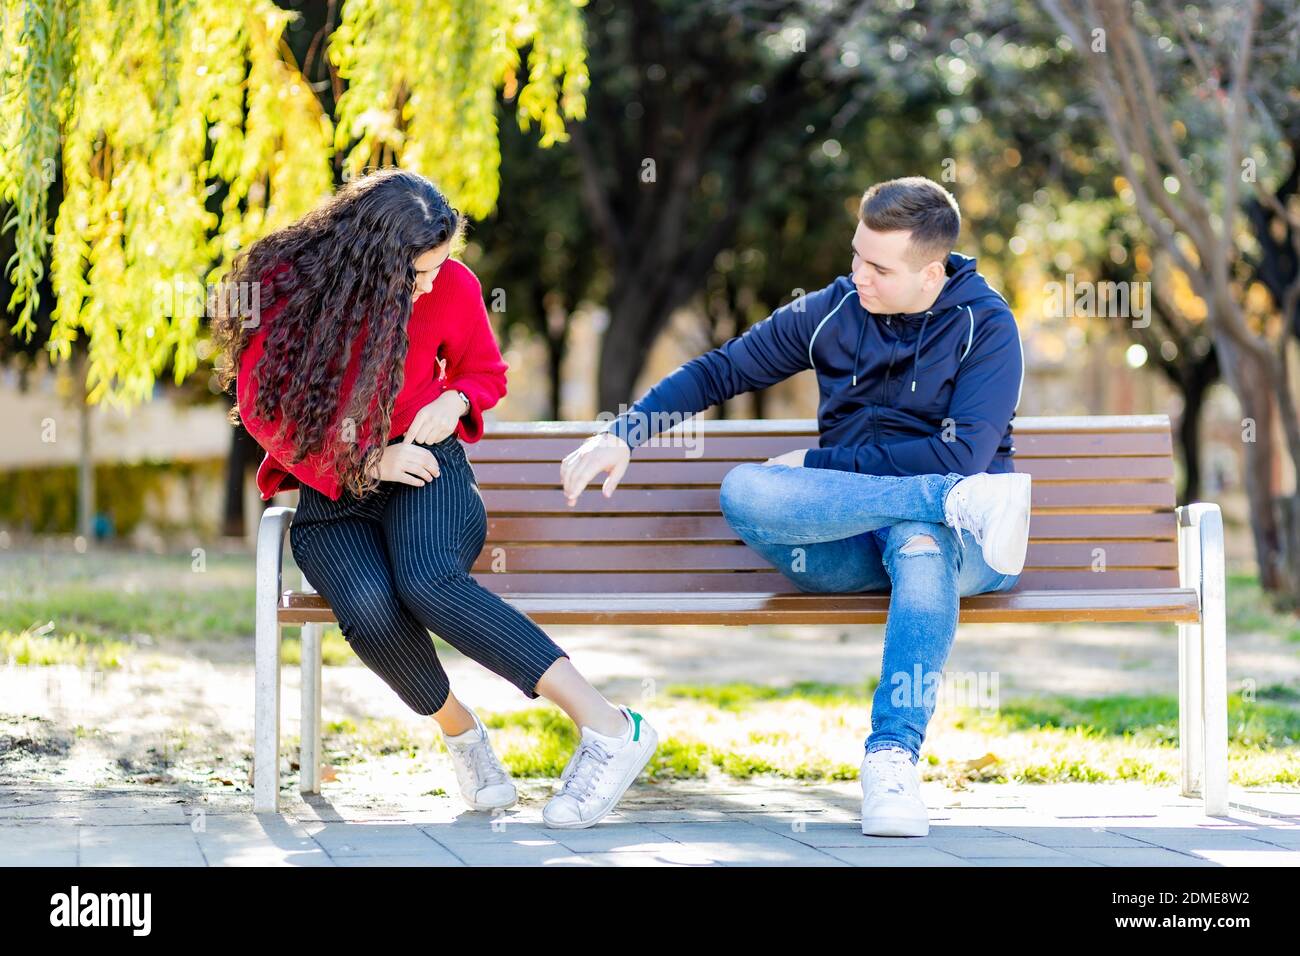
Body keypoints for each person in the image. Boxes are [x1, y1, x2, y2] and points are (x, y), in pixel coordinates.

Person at [560, 176, 1030, 837]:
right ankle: (948, 505)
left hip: (969, 547)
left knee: (920, 540)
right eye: (856, 254)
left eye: (878, 267)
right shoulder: (835, 311)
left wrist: (817, 464)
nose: (857, 274)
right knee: (745, 488)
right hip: (852, 538)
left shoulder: (987, 325)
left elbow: (961, 456)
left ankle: (892, 757)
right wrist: (624, 432)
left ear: (931, 274)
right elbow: (721, 370)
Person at [212, 167, 657, 829]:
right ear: (368, 263)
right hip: (334, 489)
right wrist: (366, 458)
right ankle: (464, 737)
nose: (430, 284)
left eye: (438, 267)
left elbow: (485, 373)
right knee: (365, 604)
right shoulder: (284, 292)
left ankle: (612, 727)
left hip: (429, 472)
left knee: (426, 581)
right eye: (417, 273)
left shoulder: (451, 284)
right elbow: (263, 412)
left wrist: (456, 399)